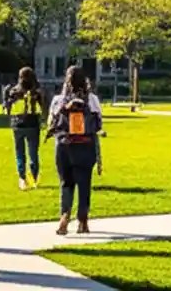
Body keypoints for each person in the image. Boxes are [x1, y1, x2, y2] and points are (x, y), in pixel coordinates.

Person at [50, 65, 103, 235]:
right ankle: (83, 221)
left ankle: (64, 217)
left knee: (66, 183)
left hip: (64, 145)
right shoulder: (92, 99)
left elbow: (52, 121)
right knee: (84, 184)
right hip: (85, 145)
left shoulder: (59, 100)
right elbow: (99, 123)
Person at [4, 67, 47, 190]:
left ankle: (22, 178)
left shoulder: (14, 91)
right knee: (33, 153)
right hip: (33, 124)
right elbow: (43, 107)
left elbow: (7, 108)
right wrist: (44, 119)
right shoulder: (36, 92)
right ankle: (34, 177)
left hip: (17, 124)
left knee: (20, 153)